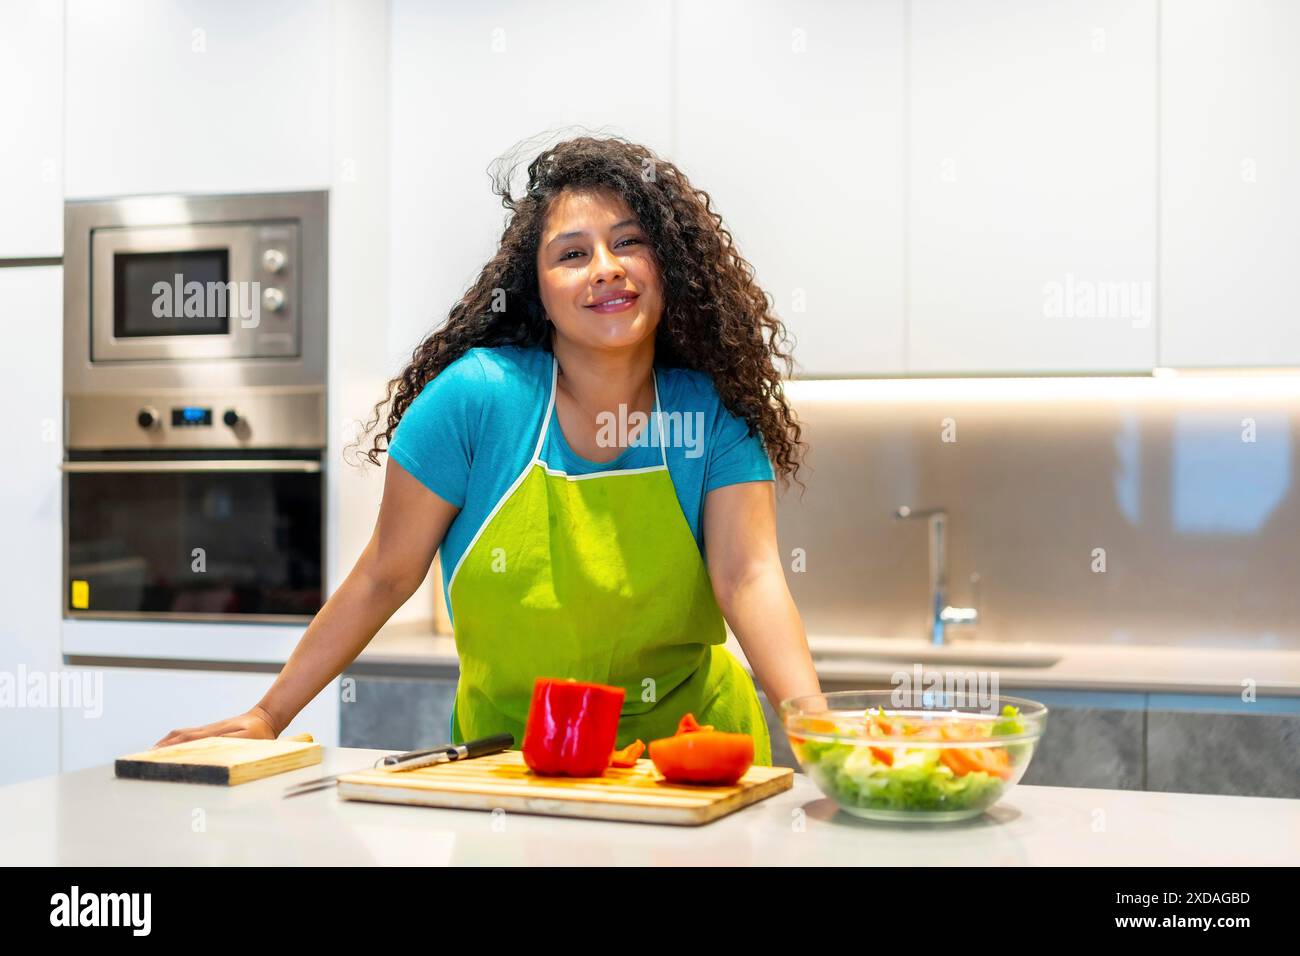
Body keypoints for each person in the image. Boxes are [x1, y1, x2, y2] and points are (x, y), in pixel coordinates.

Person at [155, 135, 820, 765]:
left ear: (667, 265)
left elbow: (750, 577)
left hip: (686, 755)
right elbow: (385, 572)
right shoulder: (475, 401)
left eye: (629, 244)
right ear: (538, 292)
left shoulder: (710, 410)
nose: (607, 269)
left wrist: (818, 732)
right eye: (572, 254)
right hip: (512, 764)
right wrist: (270, 715)